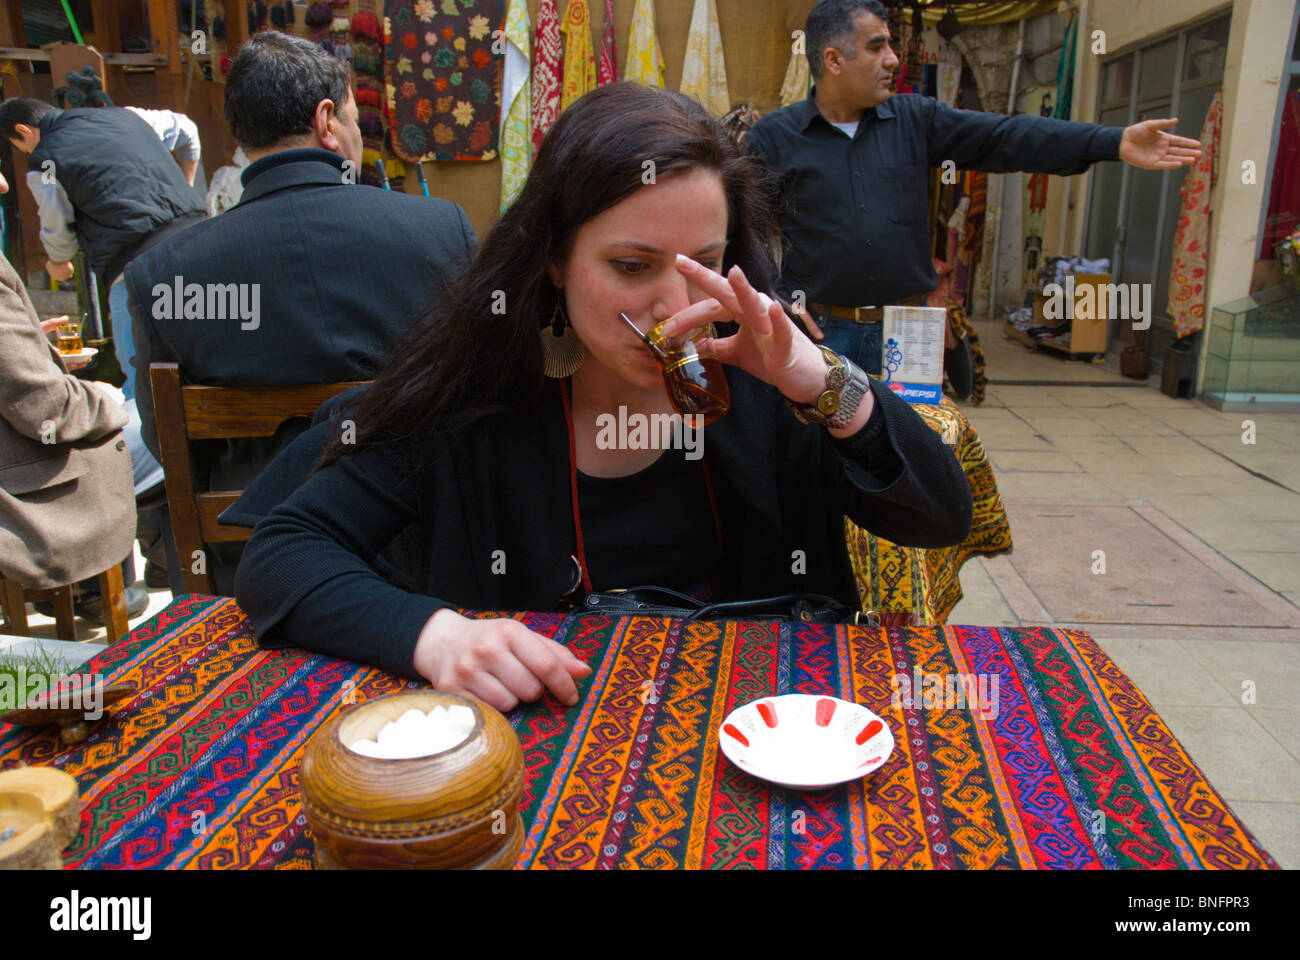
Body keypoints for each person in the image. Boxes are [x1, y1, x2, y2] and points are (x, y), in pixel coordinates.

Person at [230, 83, 973, 713]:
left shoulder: (768, 375)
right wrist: (437, 635)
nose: (673, 305)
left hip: (749, 736)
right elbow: (284, 553)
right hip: (534, 746)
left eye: (703, 264)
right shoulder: (473, 398)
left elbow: (942, 517)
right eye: (630, 265)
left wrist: (819, 382)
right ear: (553, 257)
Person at [124, 31, 477, 595]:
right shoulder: (440, 230)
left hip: (252, 561)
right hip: (417, 551)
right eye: (358, 120)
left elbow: (168, 441)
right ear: (327, 120)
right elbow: (482, 395)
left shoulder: (163, 272)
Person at [745, 0, 1203, 377]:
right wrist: (773, 300)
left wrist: (1112, 141)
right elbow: (741, 233)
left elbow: (1007, 136)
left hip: (907, 331)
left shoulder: (915, 120)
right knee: (820, 456)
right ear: (833, 60)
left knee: (915, 455)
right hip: (822, 333)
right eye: (878, 47)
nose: (893, 60)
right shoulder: (776, 138)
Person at [0, 173, 144, 619]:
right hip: (20, 492)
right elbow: (47, 409)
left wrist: (33, 351)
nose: (4, 185)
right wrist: (103, 397)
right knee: (161, 423)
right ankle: (184, 599)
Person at [0, 97, 206, 402]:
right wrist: (187, 186)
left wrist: (58, 262)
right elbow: (188, 130)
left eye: (21, 148)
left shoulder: (43, 161)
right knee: (207, 359)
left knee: (143, 379)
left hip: (135, 269)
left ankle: (155, 447)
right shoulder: (130, 116)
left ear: (24, 131)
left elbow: (57, 225)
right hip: (202, 246)